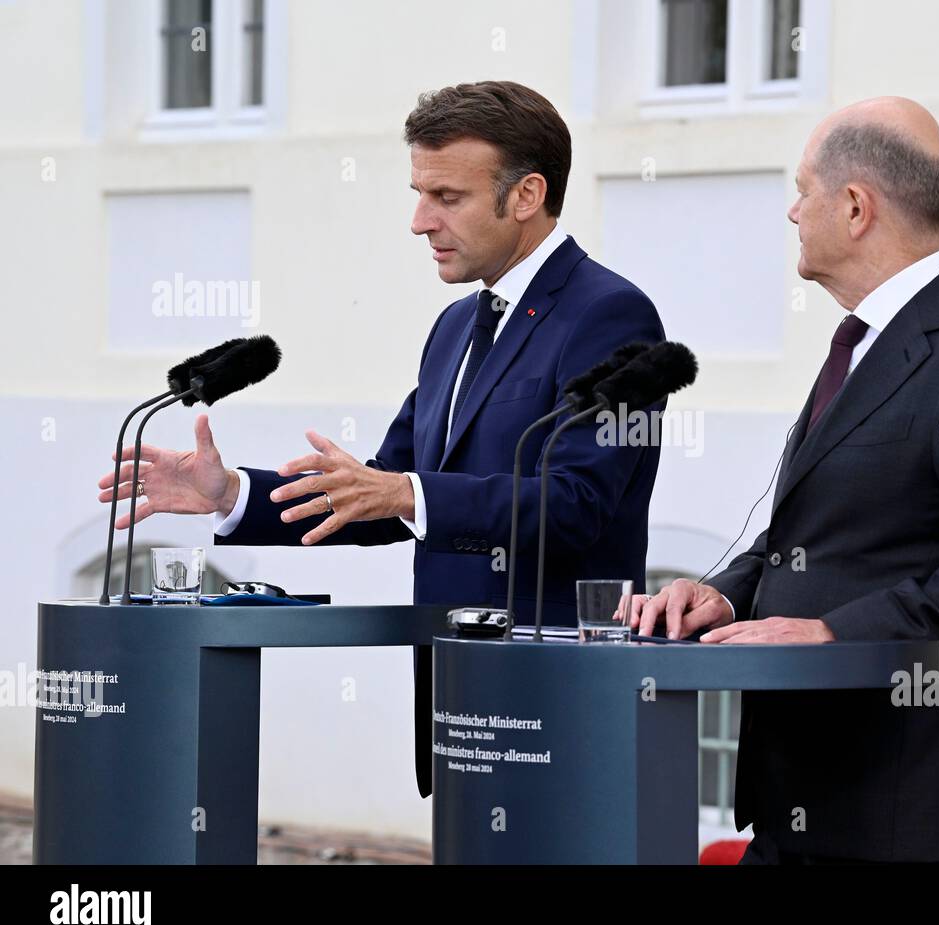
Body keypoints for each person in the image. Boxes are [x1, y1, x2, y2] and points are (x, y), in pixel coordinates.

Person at [98, 81, 665, 799]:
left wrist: (405, 493)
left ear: (526, 195)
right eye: (418, 193)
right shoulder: (456, 326)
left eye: (446, 197)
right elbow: (381, 491)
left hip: (558, 702)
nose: (419, 221)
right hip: (460, 703)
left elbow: (575, 505)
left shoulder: (612, 314)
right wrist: (235, 492)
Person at [629, 97, 939, 864]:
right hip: (799, 791)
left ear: (856, 206)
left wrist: (837, 630)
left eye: (804, 189)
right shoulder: (862, 339)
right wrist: (725, 592)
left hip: (896, 806)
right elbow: (817, 535)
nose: (793, 211)